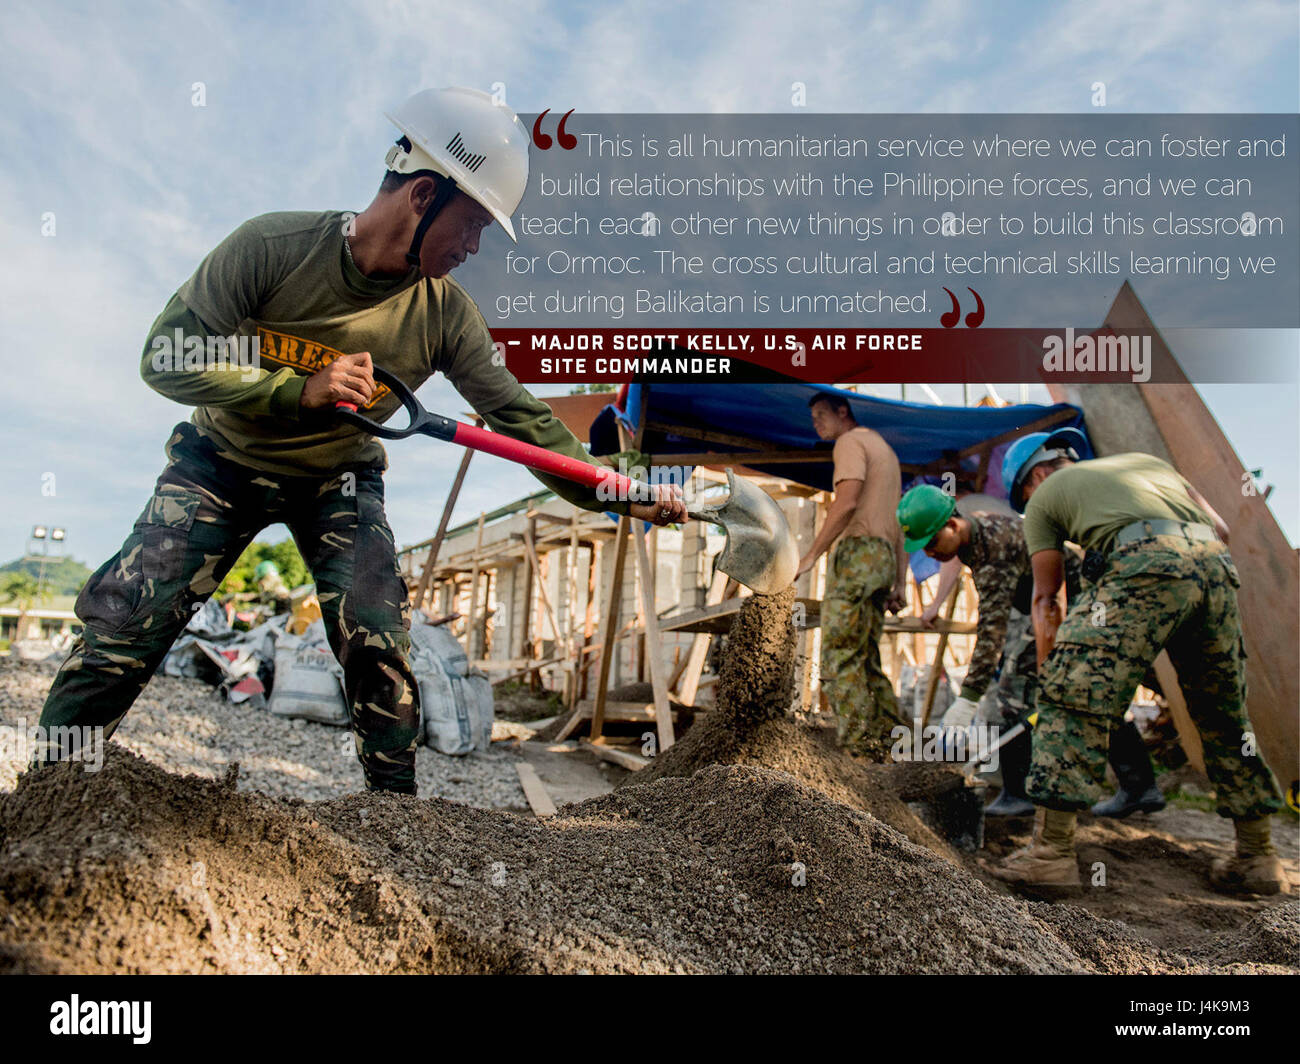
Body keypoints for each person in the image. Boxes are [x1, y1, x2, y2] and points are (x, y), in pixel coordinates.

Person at [34, 87, 685, 795]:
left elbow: (521, 418)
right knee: (126, 620)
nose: (473, 249)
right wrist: (293, 390)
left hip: (338, 482)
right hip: (218, 463)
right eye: (471, 227)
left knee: (378, 636)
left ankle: (396, 825)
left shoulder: (446, 316)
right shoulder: (271, 248)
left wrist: (614, 492)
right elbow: (166, 355)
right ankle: (49, 797)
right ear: (424, 195)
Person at [986, 430, 1286, 894]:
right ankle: (1257, 855)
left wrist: (1052, 679)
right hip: (1214, 569)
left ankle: (1050, 855)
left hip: (1144, 560)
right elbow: (1222, 531)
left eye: (1023, 493)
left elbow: (1047, 599)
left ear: (1036, 476)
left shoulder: (1045, 500)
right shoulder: (1150, 465)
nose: (1029, 501)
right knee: (1223, 713)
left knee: (1072, 698)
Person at [898, 482, 1164, 818]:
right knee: (1081, 690)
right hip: (1049, 603)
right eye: (924, 548)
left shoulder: (992, 550)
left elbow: (992, 632)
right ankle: (1137, 786)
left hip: (1080, 602)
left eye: (932, 543)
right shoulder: (974, 530)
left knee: (1022, 690)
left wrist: (967, 698)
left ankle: (1022, 793)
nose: (930, 554)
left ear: (953, 524)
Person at [796, 391, 908, 753]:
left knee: (838, 659)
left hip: (858, 555)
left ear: (843, 411)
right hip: (882, 560)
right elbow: (902, 523)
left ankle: (861, 754)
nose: (817, 423)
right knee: (867, 660)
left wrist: (811, 555)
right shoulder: (884, 451)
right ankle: (894, 747)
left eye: (821, 415)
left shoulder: (849, 442)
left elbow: (847, 502)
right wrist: (900, 581)